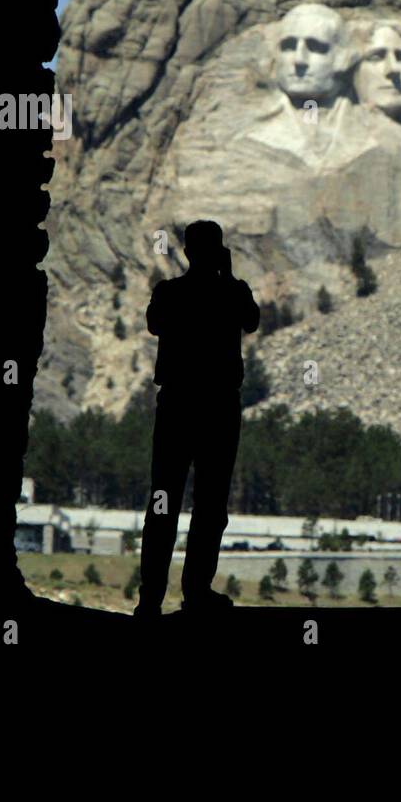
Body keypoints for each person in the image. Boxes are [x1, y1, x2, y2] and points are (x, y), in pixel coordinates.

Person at [134, 220, 260, 619]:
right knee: (210, 505)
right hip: (219, 408)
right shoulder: (233, 292)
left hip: (177, 405)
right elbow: (252, 320)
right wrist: (228, 275)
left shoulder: (169, 292)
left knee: (162, 502)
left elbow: (154, 323)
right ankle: (196, 591)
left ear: (187, 252)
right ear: (219, 250)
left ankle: (151, 598)